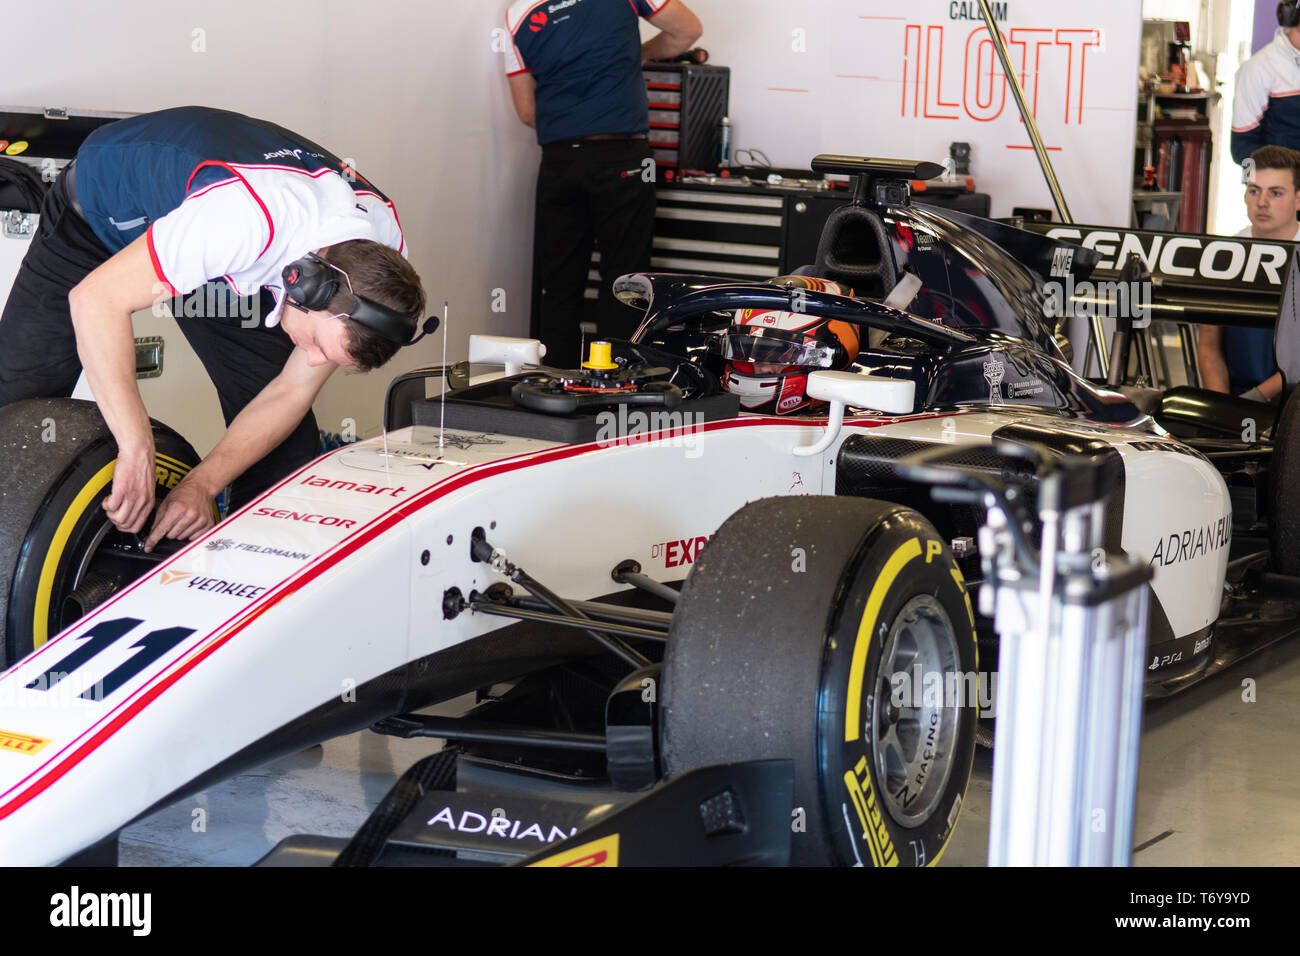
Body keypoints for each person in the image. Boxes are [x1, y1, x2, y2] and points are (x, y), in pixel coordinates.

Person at [0, 106, 426, 550]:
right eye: (318, 345)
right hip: (100, 210)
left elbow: (290, 392)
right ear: (310, 284)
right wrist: (137, 447)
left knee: (282, 451)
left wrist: (202, 484)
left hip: (225, 243)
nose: (313, 360)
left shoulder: (377, 256)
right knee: (17, 401)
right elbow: (95, 300)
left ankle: (252, 583)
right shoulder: (242, 221)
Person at [504, 0, 702, 367]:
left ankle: (556, 387)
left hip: (560, 160)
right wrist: (638, 55)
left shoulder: (518, 15)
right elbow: (687, 30)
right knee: (624, 280)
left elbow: (527, 112)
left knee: (560, 285)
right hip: (624, 155)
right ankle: (612, 386)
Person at [1198, 144, 1300, 402]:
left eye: (1276, 193)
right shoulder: (1224, 256)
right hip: (1237, 397)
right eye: (1254, 191)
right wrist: (1221, 408)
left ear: (1298, 199)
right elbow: (1209, 344)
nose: (1262, 202)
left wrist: (1257, 399)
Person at [1231, 3, 1300, 165]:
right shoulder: (1258, 69)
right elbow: (1241, 149)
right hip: (1279, 184)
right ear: (1291, 18)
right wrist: (1258, 186)